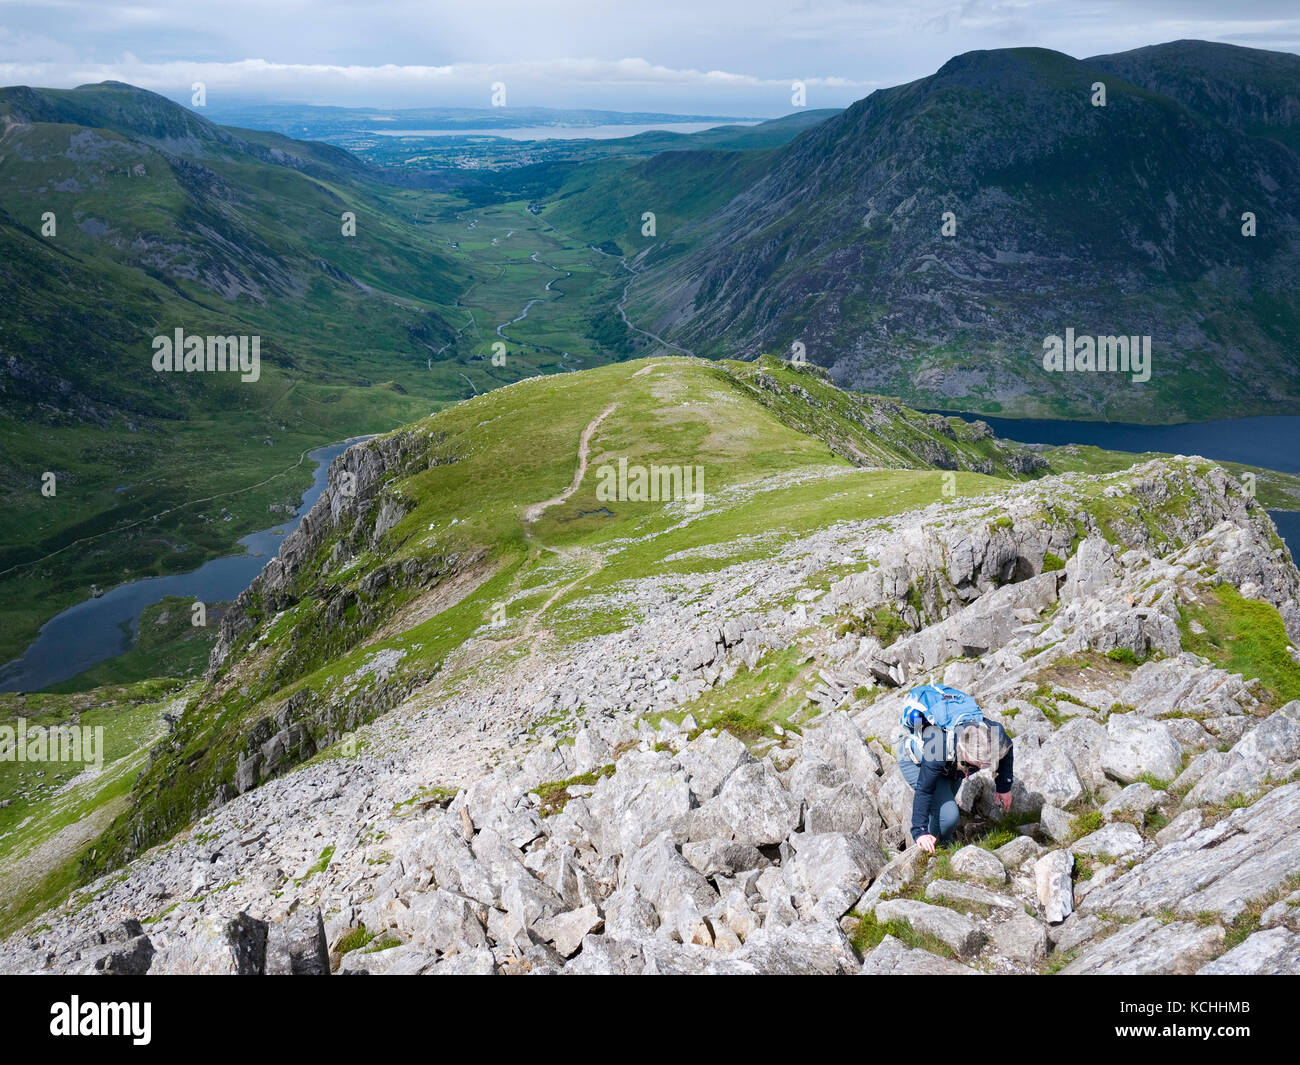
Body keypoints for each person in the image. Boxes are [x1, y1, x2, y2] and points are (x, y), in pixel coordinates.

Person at [900, 719, 1014, 853]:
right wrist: (920, 831)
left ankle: (941, 845)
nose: (985, 767)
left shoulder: (993, 735)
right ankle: (927, 852)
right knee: (949, 815)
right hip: (915, 761)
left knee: (940, 811)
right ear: (966, 753)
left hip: (952, 769)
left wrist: (1004, 786)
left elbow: (1007, 750)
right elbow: (925, 789)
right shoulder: (939, 746)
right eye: (981, 763)